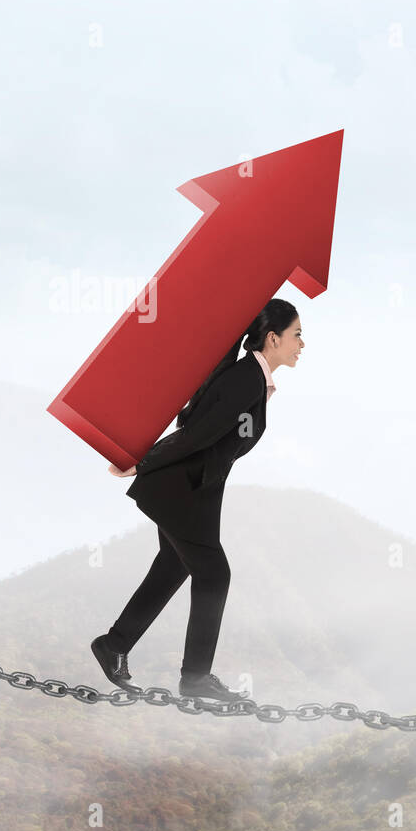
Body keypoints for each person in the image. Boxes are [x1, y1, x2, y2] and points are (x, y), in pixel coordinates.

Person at [89, 297, 304, 703]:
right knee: (214, 574)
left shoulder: (252, 380)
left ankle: (114, 644)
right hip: (180, 490)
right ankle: (195, 677)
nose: (302, 344)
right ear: (273, 339)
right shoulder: (247, 380)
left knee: (172, 567)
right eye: (297, 335)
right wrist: (141, 462)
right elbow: (197, 434)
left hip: (192, 490)